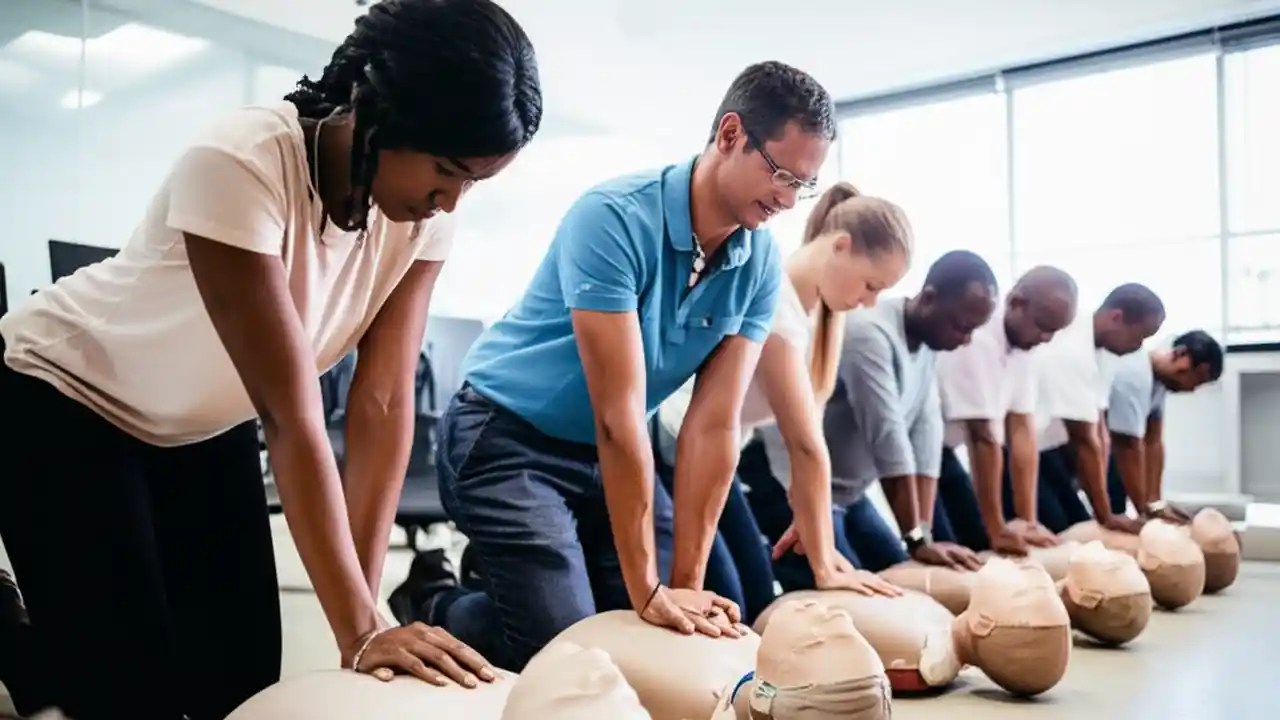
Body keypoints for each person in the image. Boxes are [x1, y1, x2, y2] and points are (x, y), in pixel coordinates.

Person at [0, 1, 542, 717]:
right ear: (378, 109)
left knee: (241, 682)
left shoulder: (420, 219)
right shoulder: (242, 162)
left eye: (473, 180)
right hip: (63, 395)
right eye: (445, 170)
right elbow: (293, 413)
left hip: (200, 421)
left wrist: (367, 620)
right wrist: (356, 629)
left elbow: (382, 403)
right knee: (125, 698)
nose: (450, 201)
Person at [391, 61, 838, 673]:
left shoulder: (759, 263)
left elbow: (713, 427)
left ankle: (513, 573)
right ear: (730, 135)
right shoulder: (613, 217)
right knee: (567, 651)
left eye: (804, 185)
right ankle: (435, 597)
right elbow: (618, 414)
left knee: (643, 628)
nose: (789, 199)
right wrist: (649, 588)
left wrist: (680, 589)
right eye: (781, 174)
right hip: (505, 438)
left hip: (608, 456)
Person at [653, 181, 912, 621]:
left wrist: (808, 518)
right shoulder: (777, 304)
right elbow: (806, 444)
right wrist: (824, 562)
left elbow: (797, 447)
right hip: (670, 445)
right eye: (871, 285)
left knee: (754, 598)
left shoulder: (813, 321)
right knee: (732, 600)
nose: (869, 303)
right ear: (840, 246)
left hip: (718, 457)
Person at [762, 250, 998, 584]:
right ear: (929, 298)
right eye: (961, 327)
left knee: (901, 576)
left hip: (847, 495)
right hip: (786, 482)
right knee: (851, 592)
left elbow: (925, 437)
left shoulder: (930, 346)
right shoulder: (870, 332)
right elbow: (887, 437)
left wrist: (923, 535)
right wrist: (916, 539)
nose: (965, 340)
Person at [933, 266, 1078, 554]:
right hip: (917, 453)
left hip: (944, 451)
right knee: (965, 545)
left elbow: (1021, 430)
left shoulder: (1025, 345)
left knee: (979, 540)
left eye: (1054, 331)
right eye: (1042, 326)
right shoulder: (978, 338)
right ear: (1016, 303)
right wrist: (997, 528)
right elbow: (982, 437)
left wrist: (1028, 521)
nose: (1046, 338)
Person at [1032, 283, 1165, 535]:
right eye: (1139, 336)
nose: (1138, 347)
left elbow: (1099, 430)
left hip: (1048, 450)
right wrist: (1106, 515)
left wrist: (1110, 511)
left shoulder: (1104, 349)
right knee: (1065, 533)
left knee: (1081, 525)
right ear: (1116, 318)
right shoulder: (1072, 349)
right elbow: (1085, 440)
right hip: (1018, 450)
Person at [1106, 330, 1224, 522]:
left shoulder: (1160, 384)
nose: (1193, 389)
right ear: (1180, 354)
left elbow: (1153, 442)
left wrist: (1156, 503)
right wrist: (1146, 511)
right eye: (1197, 378)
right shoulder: (1135, 374)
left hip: (1110, 449)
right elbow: (1128, 447)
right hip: (1069, 446)